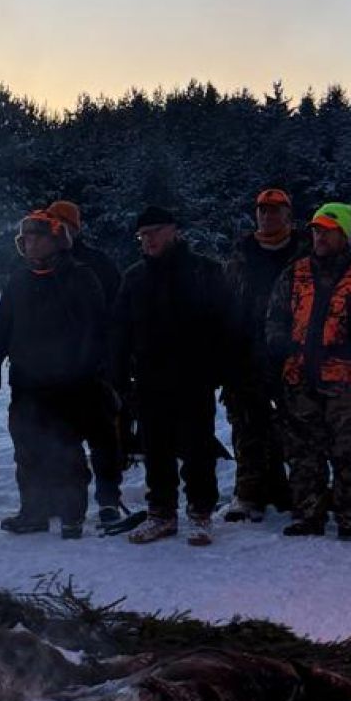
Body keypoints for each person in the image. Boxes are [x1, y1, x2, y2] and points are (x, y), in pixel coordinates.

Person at [112, 205, 232, 545]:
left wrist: (220, 368)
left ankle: (200, 513)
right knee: (157, 448)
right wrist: (118, 375)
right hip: (149, 377)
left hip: (195, 375)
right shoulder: (134, 277)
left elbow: (227, 323)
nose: (147, 240)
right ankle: (161, 513)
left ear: (173, 231)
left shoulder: (204, 271)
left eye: (154, 232)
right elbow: (119, 331)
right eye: (142, 235)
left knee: (198, 447)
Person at [0, 210, 106, 537]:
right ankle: (34, 512)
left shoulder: (80, 277)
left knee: (67, 450)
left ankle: (72, 516)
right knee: (27, 449)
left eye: (36, 236)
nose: (29, 243)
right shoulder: (19, 280)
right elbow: (2, 327)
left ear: (56, 240)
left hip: (69, 385)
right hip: (27, 383)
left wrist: (85, 372)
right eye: (25, 238)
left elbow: (95, 330)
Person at [266, 203, 351, 539]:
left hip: (347, 381)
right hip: (300, 376)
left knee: (350, 451)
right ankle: (308, 513)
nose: (319, 236)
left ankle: (349, 516)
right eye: (315, 229)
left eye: (327, 230)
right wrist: (280, 344)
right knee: (302, 451)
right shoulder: (295, 272)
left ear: (343, 233)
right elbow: (275, 317)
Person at [45, 200, 135, 531]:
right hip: (57, 371)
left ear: (73, 228)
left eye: (60, 224)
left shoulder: (98, 263)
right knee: (64, 440)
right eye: (50, 223)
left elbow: (118, 314)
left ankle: (108, 501)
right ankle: (69, 502)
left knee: (104, 440)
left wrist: (115, 363)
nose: (54, 230)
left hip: (97, 369)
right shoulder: (41, 264)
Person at [221, 188, 305, 522]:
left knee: (298, 427)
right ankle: (249, 494)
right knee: (247, 427)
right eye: (262, 210)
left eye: (275, 210)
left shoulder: (306, 255)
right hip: (246, 356)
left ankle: (301, 492)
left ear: (288, 215)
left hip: (291, 356)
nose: (267, 216)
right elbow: (225, 307)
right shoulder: (240, 256)